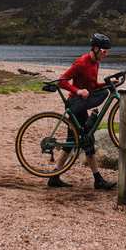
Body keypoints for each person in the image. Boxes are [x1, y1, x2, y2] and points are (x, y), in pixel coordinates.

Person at [48, 33, 116, 190]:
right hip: (76, 104)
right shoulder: (81, 62)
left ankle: (55, 177)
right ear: (96, 48)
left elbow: (91, 86)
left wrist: (106, 84)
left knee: (85, 140)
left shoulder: (96, 62)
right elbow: (62, 81)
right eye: (104, 51)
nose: (106, 54)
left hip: (82, 105)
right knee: (84, 140)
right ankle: (97, 180)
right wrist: (77, 91)